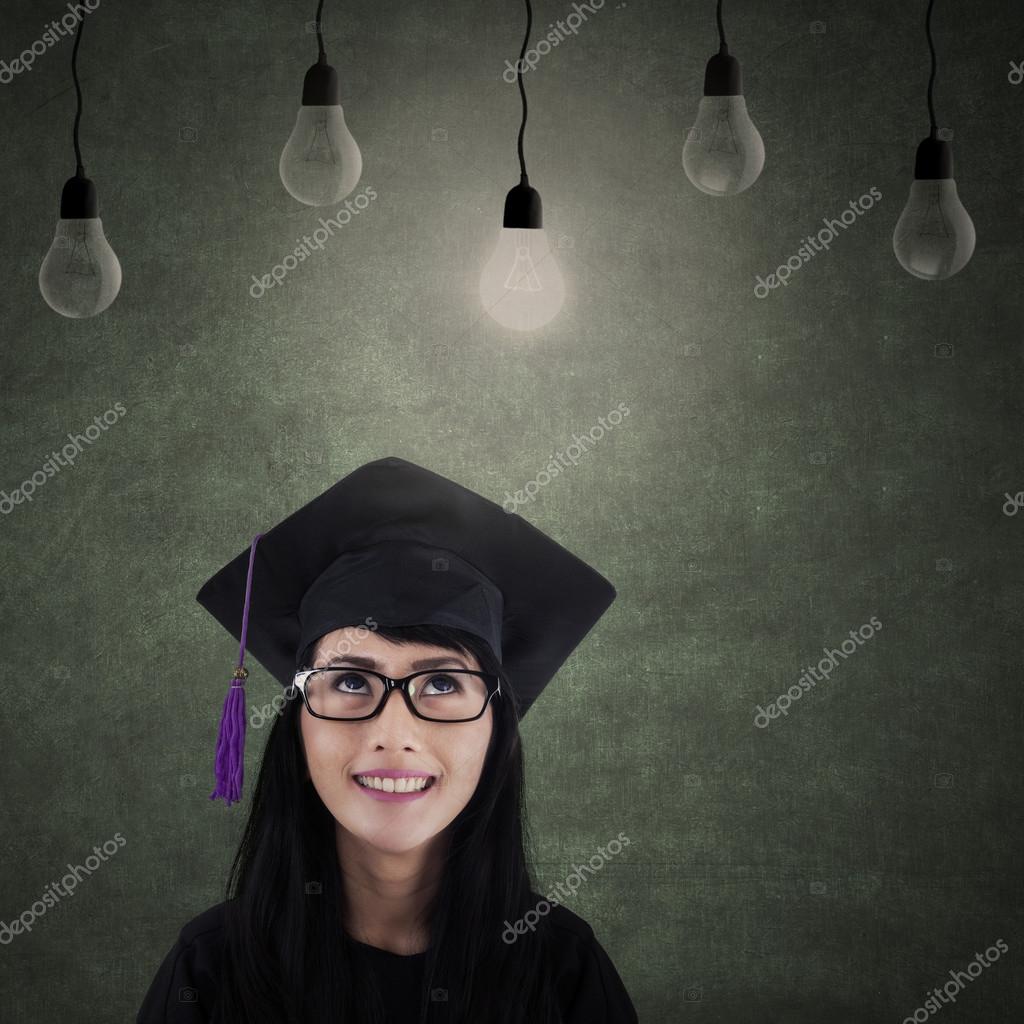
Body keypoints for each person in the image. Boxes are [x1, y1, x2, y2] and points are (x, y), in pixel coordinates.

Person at [136, 456, 638, 1023]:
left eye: (443, 682)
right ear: (297, 725)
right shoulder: (209, 973)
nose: (393, 734)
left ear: (496, 732)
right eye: (350, 680)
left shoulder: (564, 974)